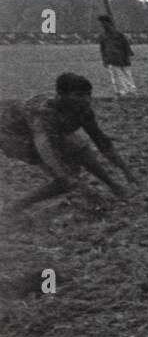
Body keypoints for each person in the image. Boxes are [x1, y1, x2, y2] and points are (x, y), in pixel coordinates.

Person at [0, 72, 134, 211]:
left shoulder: (82, 108)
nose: (87, 100)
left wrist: (125, 169)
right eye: (79, 95)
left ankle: (115, 187)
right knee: (64, 178)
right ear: (61, 96)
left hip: (48, 132)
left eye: (88, 94)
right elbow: (48, 151)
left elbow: (99, 139)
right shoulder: (44, 113)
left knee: (82, 149)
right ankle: (15, 206)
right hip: (13, 136)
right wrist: (80, 186)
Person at [97, 15, 136, 96]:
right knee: (115, 76)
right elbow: (102, 48)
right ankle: (121, 91)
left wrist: (128, 56)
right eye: (101, 23)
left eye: (103, 23)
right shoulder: (102, 36)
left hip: (122, 57)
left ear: (108, 23)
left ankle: (130, 90)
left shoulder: (119, 35)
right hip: (111, 58)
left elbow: (126, 45)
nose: (102, 25)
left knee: (126, 74)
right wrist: (104, 59)